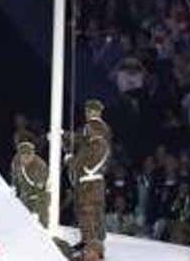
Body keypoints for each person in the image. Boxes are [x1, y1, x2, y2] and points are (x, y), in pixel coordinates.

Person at [65, 100, 111, 261]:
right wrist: (66, 135)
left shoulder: (96, 136)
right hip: (94, 182)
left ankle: (92, 250)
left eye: (89, 112)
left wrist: (69, 158)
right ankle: (90, 244)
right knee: (92, 214)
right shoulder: (100, 135)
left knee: (87, 213)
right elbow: (80, 139)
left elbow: (78, 161)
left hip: (89, 183)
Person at [11, 138, 49, 228]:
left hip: (41, 194)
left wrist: (37, 192)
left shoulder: (40, 165)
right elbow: (15, 177)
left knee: (42, 210)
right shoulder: (16, 162)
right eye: (23, 155)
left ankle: (44, 228)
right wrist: (14, 188)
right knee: (20, 214)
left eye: (28, 155)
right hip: (25, 194)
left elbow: (42, 185)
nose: (26, 158)